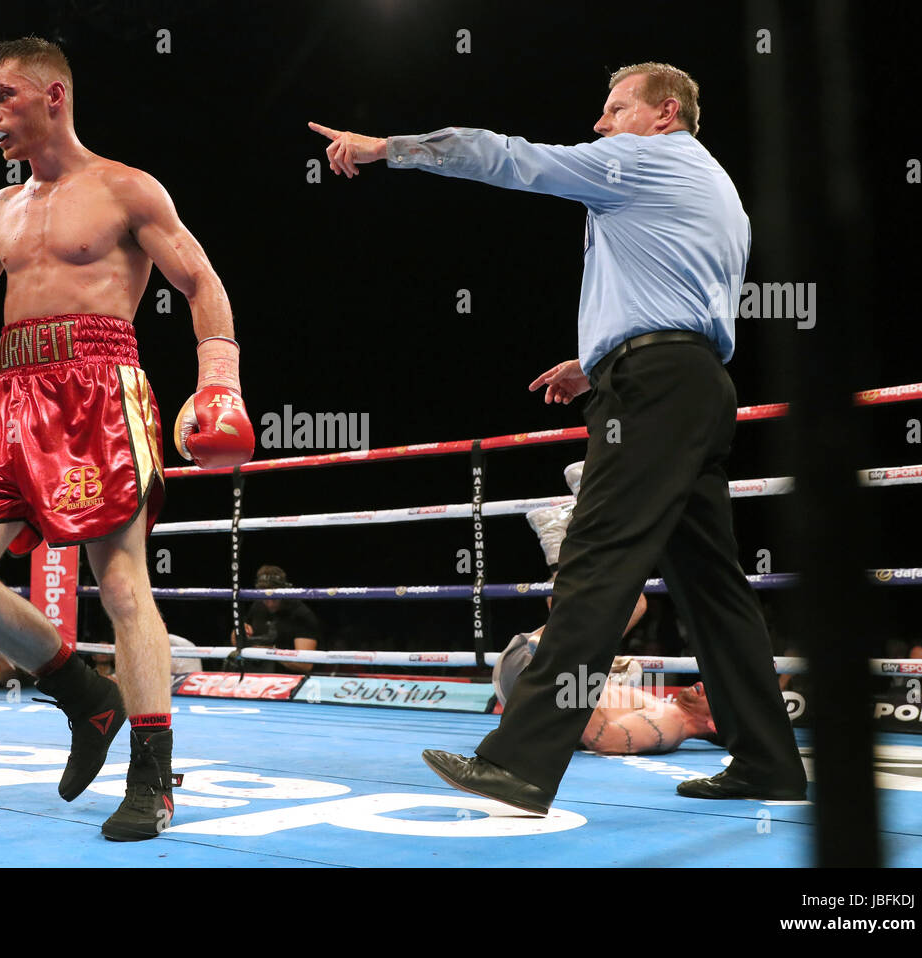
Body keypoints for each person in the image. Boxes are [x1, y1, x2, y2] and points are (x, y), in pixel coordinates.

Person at [311, 61, 805, 813]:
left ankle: (520, 761)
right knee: (715, 590)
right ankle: (769, 760)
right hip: (695, 385)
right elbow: (678, 295)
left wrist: (389, 148)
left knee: (596, 564)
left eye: (615, 109)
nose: (601, 124)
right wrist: (599, 358)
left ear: (663, 113)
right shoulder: (718, 189)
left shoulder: (640, 160)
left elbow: (508, 157)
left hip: (655, 395)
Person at [0, 37, 254, 841]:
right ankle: (85, 695)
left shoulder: (125, 188)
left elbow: (201, 281)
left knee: (120, 584)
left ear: (53, 97)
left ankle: (153, 775)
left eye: (3, 96)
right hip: (10, 397)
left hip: (98, 387)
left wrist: (219, 384)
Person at [493, 634, 718, 755]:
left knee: (634, 603)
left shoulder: (670, 723)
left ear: (713, 724)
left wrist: (571, 669)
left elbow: (603, 739)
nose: (703, 684)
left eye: (714, 695)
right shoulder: (667, 713)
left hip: (531, 681)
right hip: (528, 678)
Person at [230, 565, 320, 674]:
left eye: (274, 598)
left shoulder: (301, 614)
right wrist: (237, 634)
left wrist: (268, 652)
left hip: (292, 681)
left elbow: (305, 665)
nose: (269, 603)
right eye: (265, 598)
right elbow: (239, 635)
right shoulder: (257, 606)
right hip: (260, 676)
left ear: (284, 591)